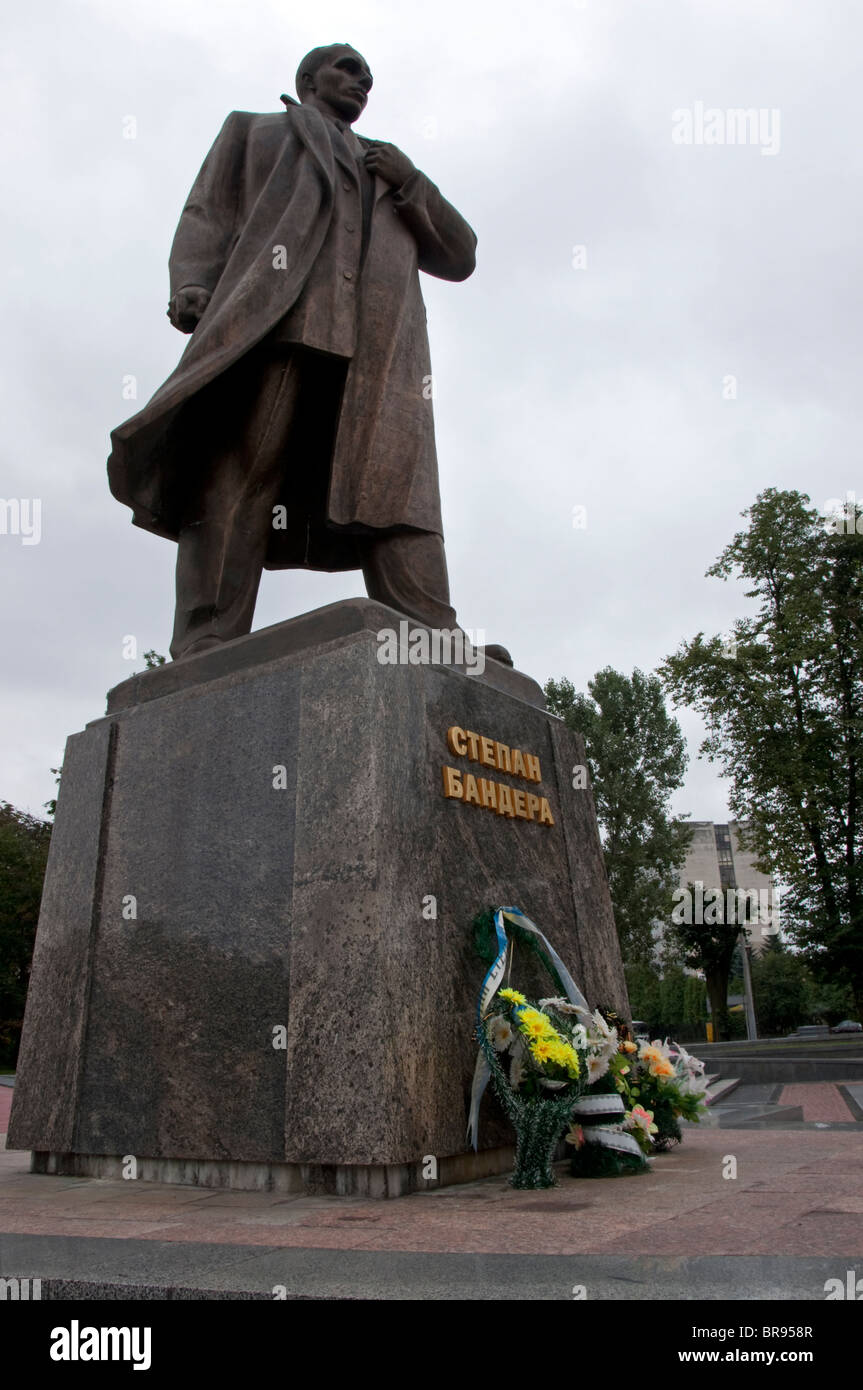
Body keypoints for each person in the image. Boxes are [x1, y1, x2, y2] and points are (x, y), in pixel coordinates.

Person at [108, 42, 511, 665]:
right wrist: (193, 283)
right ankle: (208, 633)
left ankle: (427, 628)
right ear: (308, 78)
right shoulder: (254, 132)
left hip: (379, 350)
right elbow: (208, 212)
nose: (362, 83)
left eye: (369, 78)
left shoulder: (391, 170)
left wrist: (412, 182)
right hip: (280, 319)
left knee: (397, 485)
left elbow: (461, 256)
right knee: (243, 469)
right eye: (347, 70)